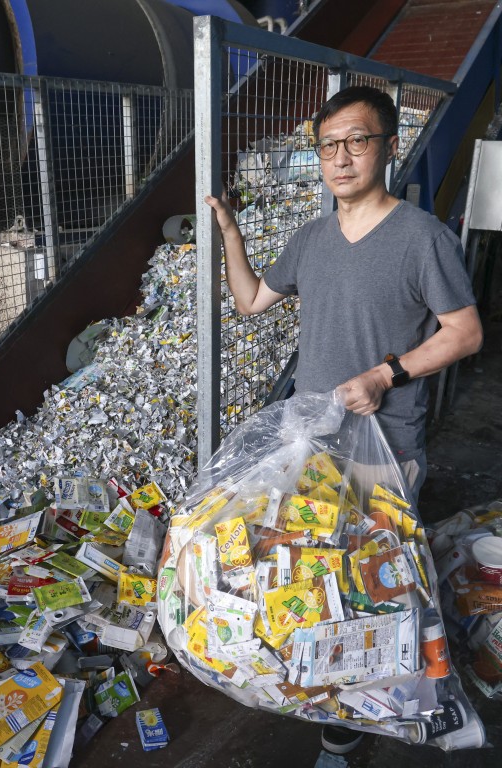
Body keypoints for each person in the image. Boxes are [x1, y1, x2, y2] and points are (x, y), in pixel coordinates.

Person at [205, 85, 483, 754]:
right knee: (318, 577)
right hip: (313, 444)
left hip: (385, 446)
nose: (342, 157)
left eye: (358, 140)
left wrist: (387, 374)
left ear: (388, 147)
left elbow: (465, 332)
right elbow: (248, 303)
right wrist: (230, 236)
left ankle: (377, 716)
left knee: (378, 583)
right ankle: (332, 699)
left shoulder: (422, 239)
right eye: (329, 145)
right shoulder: (309, 239)